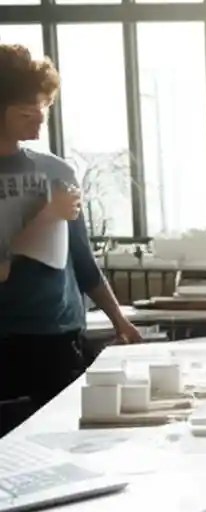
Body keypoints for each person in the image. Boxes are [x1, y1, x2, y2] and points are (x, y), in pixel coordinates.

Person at [0, 44, 141, 436]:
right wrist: (45, 214)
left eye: (44, 109)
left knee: (66, 439)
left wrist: (118, 319)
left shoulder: (56, 171)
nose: (39, 122)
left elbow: (81, 258)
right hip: (6, 334)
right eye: (28, 113)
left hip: (59, 334)